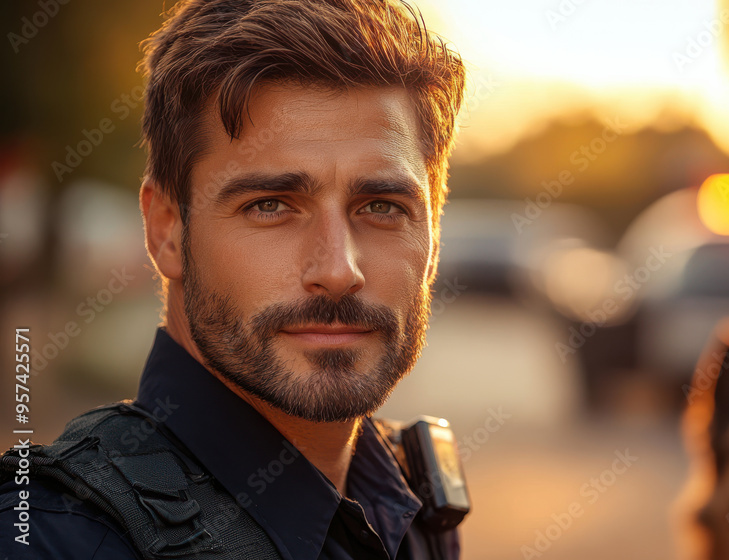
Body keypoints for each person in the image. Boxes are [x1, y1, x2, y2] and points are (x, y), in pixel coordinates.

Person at [0, 0, 467, 558]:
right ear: (167, 231)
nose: (339, 271)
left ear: (433, 230)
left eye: (383, 207)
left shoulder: (415, 504)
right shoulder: (49, 538)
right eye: (270, 204)